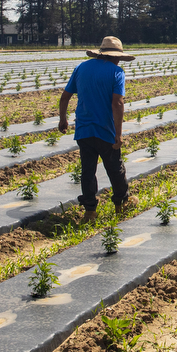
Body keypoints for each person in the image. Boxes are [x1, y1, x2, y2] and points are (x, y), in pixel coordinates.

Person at [60, 35, 134, 224]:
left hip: (83, 128)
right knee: (115, 168)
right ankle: (121, 203)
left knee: (87, 170)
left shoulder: (82, 67)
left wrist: (63, 119)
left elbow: (65, 96)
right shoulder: (116, 72)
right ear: (115, 57)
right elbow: (117, 102)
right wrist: (118, 133)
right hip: (105, 130)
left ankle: (90, 211)